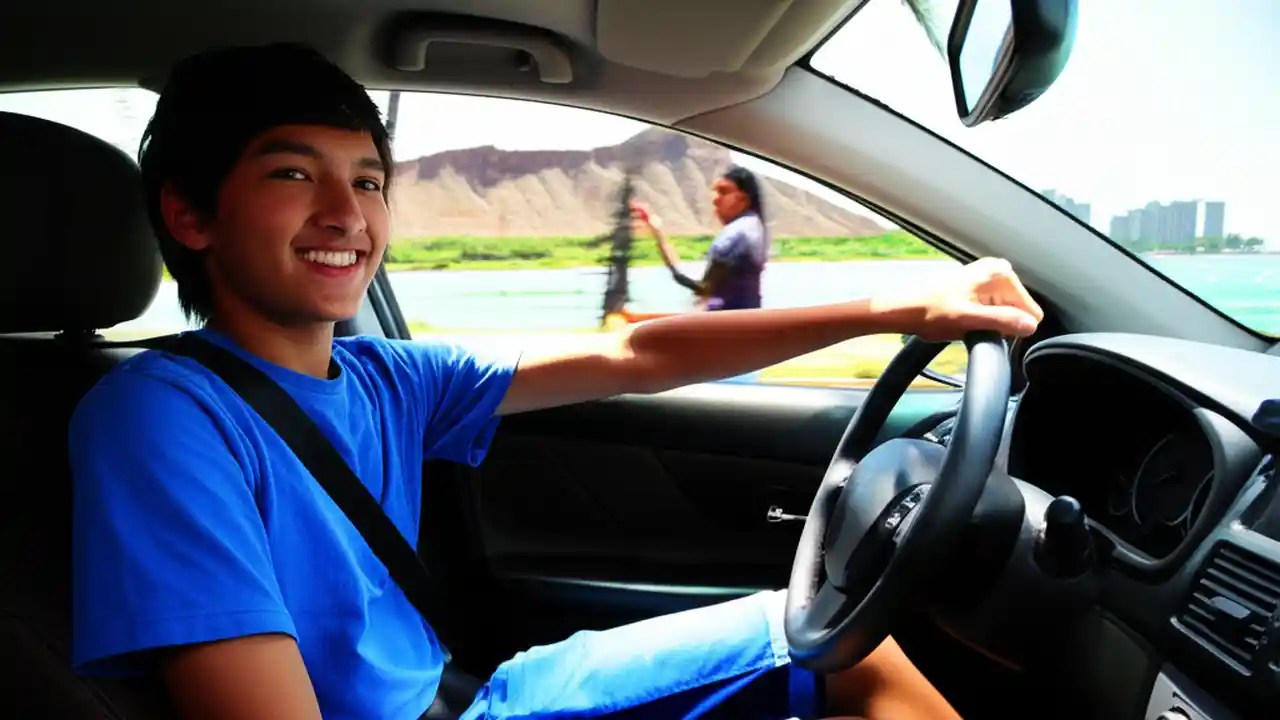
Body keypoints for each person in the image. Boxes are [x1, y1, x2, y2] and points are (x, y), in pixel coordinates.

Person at [68, 43, 1044, 720]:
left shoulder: (383, 378)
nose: (346, 213)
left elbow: (637, 356)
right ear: (191, 216)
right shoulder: (160, 417)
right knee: (838, 651)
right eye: (292, 175)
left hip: (476, 694)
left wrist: (901, 309)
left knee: (830, 643)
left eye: (366, 180)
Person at [632, 166, 769, 311]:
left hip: (727, 328)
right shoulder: (754, 228)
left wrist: (656, 230)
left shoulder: (736, 235)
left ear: (742, 198)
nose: (715, 200)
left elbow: (701, 286)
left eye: (723, 192)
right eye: (715, 192)